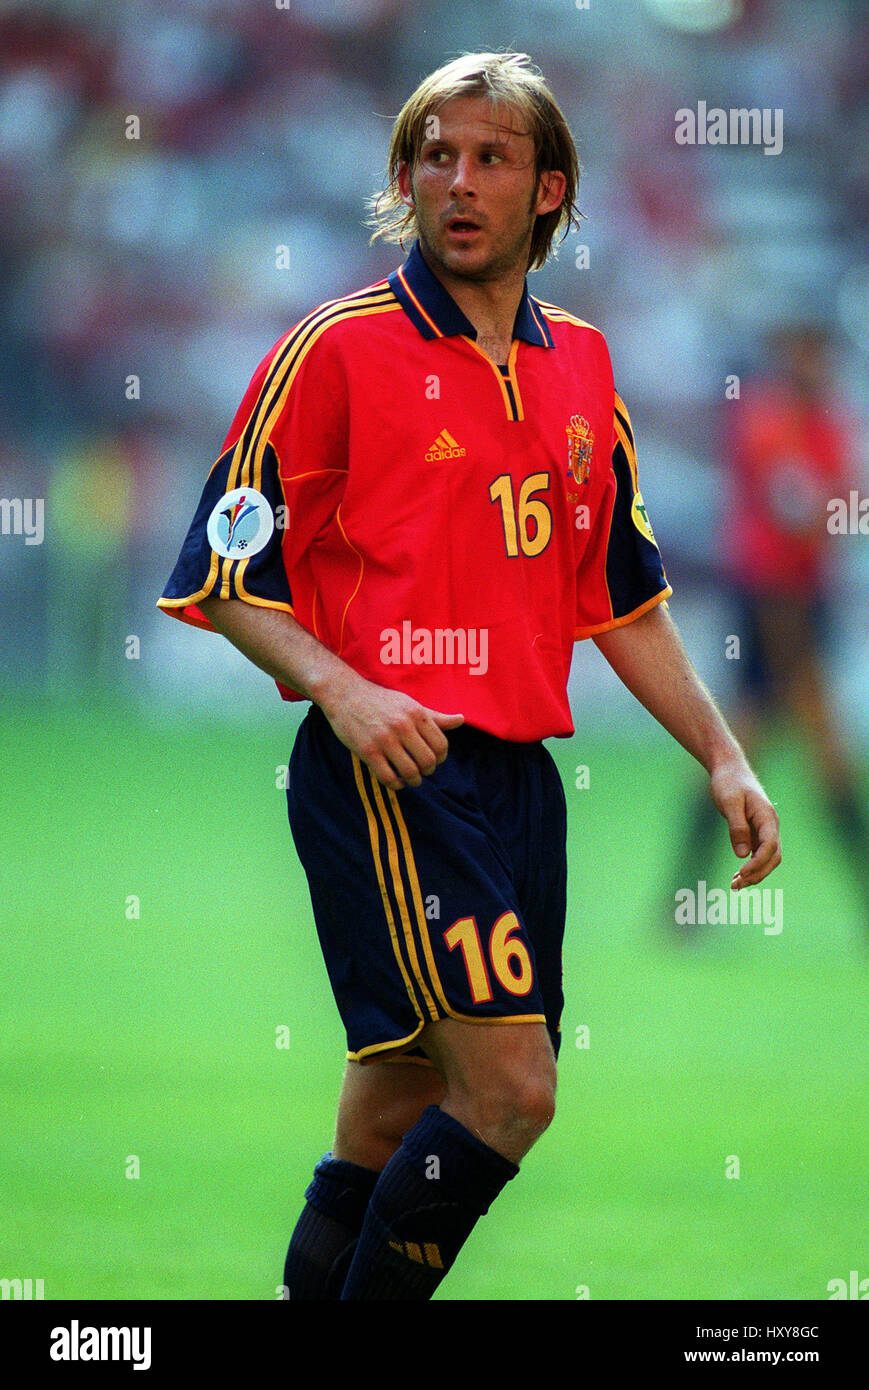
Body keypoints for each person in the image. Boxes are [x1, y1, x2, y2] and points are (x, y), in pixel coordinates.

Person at [158, 51, 781, 1301]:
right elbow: (220, 572)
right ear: (404, 179)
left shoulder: (584, 370)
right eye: (435, 156)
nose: (458, 181)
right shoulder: (333, 350)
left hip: (515, 783)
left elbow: (618, 599)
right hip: (391, 770)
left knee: (395, 1112)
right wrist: (344, 688)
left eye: (491, 158)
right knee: (510, 1091)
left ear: (549, 189)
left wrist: (719, 753)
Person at [668, 323, 867, 936]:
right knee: (789, 745)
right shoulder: (766, 420)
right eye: (804, 351)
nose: (812, 364)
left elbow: (831, 510)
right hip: (766, 603)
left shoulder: (825, 425)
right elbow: (806, 510)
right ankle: (685, 901)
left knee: (756, 742)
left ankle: (683, 903)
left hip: (804, 602)